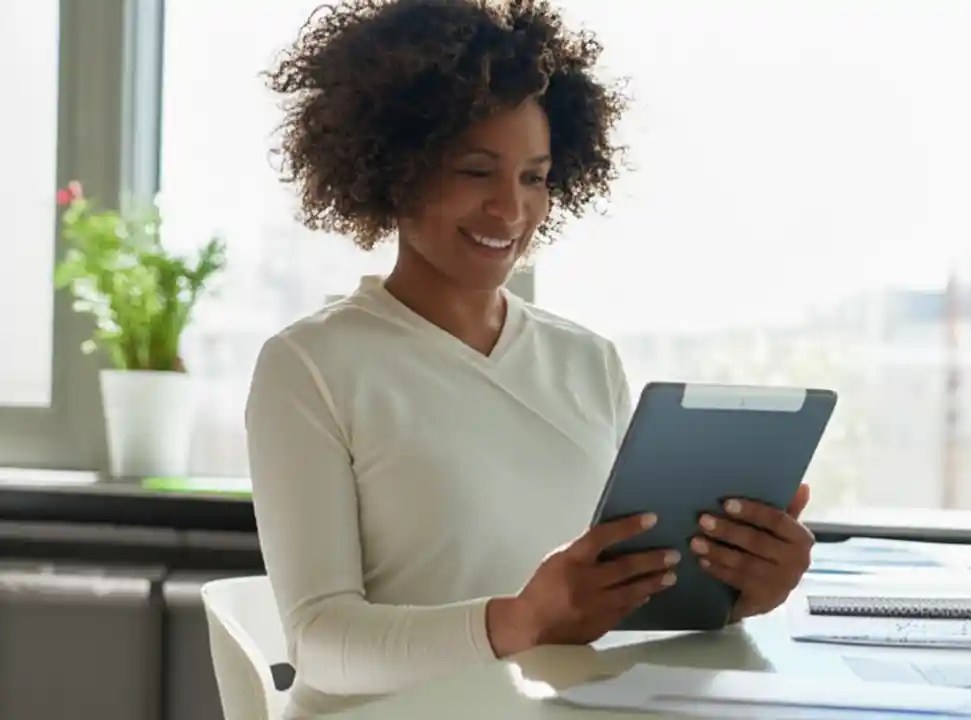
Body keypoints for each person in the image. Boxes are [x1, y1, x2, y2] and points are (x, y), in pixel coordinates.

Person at [246, 0, 815, 714]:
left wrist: (734, 594)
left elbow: (615, 607)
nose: (510, 212)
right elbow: (320, 640)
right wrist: (520, 621)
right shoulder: (311, 367)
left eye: (534, 177)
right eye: (476, 171)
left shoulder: (587, 362)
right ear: (395, 169)